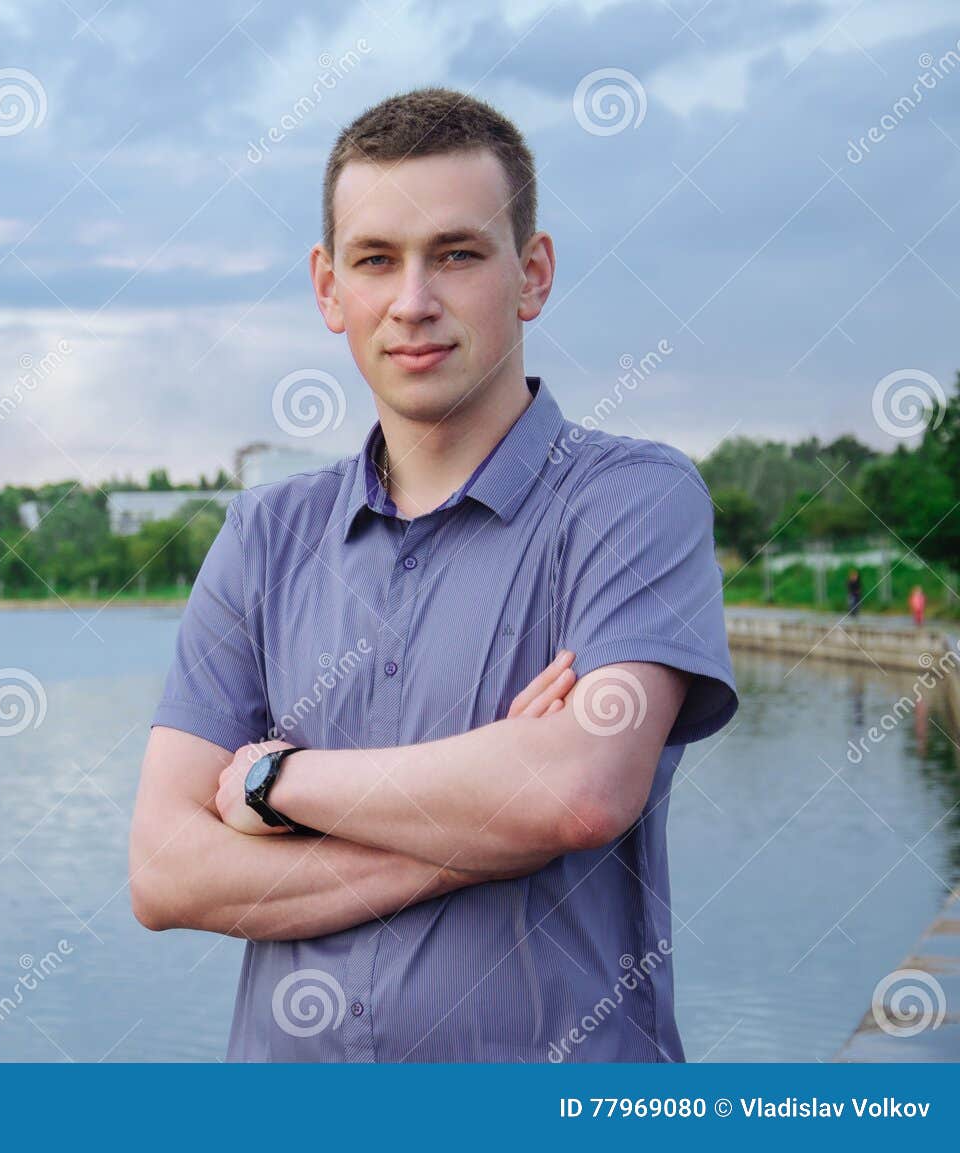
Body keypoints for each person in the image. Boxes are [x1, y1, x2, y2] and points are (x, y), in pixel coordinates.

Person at [128, 87, 739, 1062]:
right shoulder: (264, 535)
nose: (413, 301)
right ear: (329, 288)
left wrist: (277, 781)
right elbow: (164, 874)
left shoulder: (632, 501)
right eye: (376, 259)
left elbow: (581, 790)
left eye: (456, 253)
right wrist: (485, 827)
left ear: (531, 274)